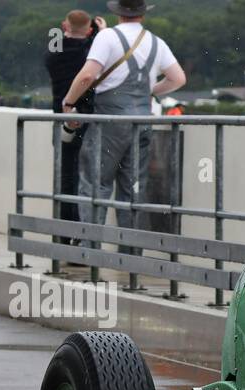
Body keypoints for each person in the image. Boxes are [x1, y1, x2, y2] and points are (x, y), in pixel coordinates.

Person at [59, 0, 186, 229]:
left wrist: (68, 103)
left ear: (117, 12)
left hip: (110, 122)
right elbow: (178, 78)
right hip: (142, 121)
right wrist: (148, 91)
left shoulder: (107, 37)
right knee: (133, 189)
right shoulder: (156, 42)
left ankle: (92, 249)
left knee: (95, 185)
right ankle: (130, 252)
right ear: (142, 14)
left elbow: (87, 76)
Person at [45, 10, 104, 235]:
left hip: (61, 117)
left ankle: (64, 230)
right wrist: (100, 33)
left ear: (64, 26)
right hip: (88, 118)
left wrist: (62, 31)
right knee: (86, 177)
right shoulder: (90, 51)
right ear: (90, 30)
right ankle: (82, 231)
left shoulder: (55, 54)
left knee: (65, 175)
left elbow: (52, 46)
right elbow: (96, 58)